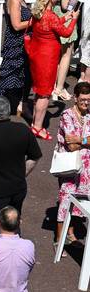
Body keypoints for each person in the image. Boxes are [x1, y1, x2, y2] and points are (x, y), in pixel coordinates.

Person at [25, 0, 77, 140]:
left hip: (36, 55)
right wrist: (74, 19)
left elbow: (51, 27)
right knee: (45, 94)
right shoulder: (50, 16)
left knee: (39, 91)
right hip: (47, 59)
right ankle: (38, 127)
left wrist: (64, 18)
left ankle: (35, 122)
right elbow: (66, 33)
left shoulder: (38, 13)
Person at [53, 80, 90, 250]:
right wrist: (83, 142)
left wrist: (79, 139)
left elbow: (76, 141)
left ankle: (71, 232)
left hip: (86, 169)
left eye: (88, 100)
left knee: (80, 201)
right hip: (70, 167)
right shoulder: (67, 115)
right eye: (82, 99)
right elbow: (71, 146)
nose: (85, 103)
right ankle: (59, 239)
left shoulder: (89, 115)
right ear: (75, 98)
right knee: (65, 201)